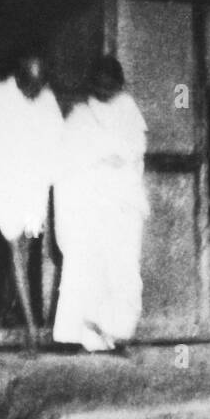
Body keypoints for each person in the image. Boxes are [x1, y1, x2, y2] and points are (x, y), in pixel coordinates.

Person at [52, 55, 148, 353]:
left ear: (119, 85)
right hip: (89, 205)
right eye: (101, 85)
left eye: (112, 85)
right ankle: (86, 336)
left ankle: (116, 333)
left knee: (123, 269)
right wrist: (99, 159)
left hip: (122, 205)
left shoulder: (129, 111)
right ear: (93, 85)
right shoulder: (80, 115)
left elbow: (133, 152)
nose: (106, 90)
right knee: (87, 269)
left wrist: (106, 156)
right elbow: (67, 162)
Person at [0, 51, 64, 349]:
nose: (34, 91)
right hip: (7, 189)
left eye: (40, 85)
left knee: (27, 253)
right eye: (30, 84)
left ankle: (9, 310)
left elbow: (54, 143)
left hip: (33, 192)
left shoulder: (47, 102)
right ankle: (32, 332)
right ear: (19, 76)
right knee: (17, 257)